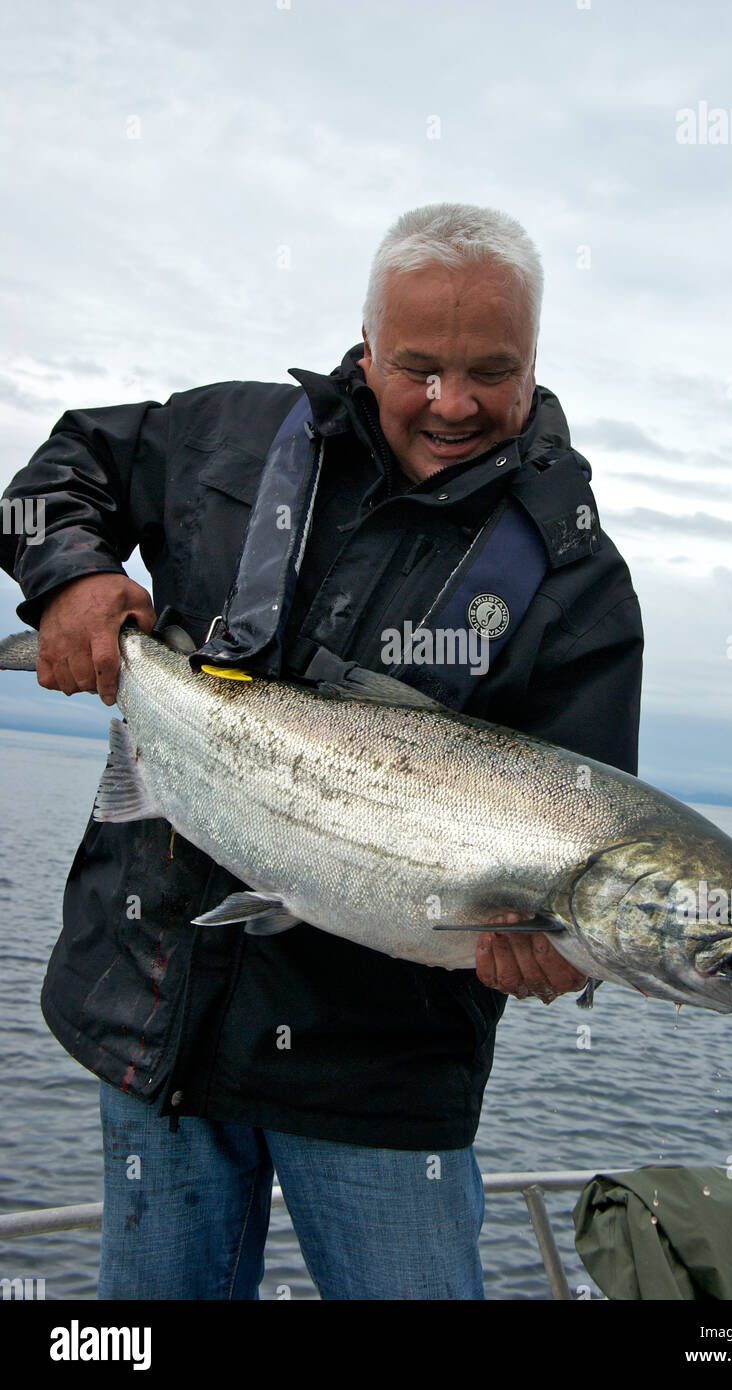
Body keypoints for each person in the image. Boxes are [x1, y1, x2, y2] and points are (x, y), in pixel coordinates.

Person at [0, 203, 643, 1300]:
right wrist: (67, 574)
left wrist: (566, 954)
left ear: (536, 360)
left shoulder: (576, 581)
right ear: (365, 345)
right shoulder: (231, 437)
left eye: (494, 370)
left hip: (384, 1090)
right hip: (156, 1022)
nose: (455, 403)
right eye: (419, 367)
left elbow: (588, 837)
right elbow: (37, 494)